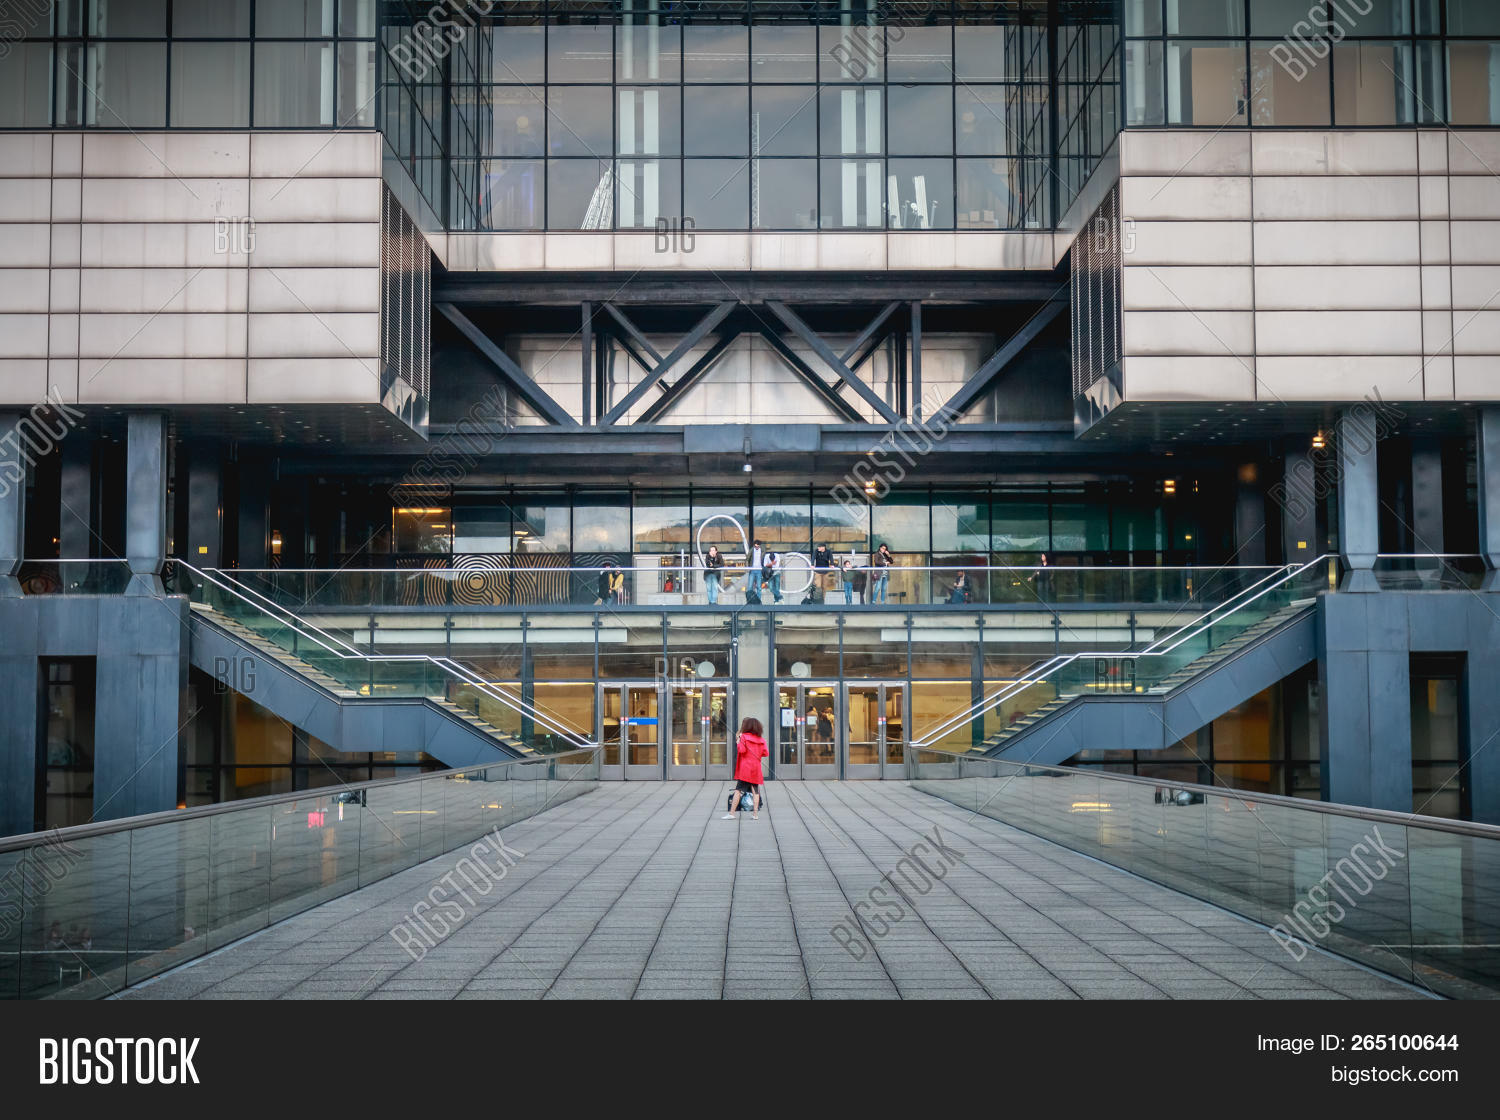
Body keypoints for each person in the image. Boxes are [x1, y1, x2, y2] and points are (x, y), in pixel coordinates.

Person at [723, 716, 768, 820]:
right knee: (755, 791)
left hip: (745, 769)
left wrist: (738, 741)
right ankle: (755, 814)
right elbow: (765, 753)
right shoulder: (761, 739)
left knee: (738, 790)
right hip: (756, 768)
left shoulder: (744, 737)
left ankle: (732, 813)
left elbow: (741, 750)